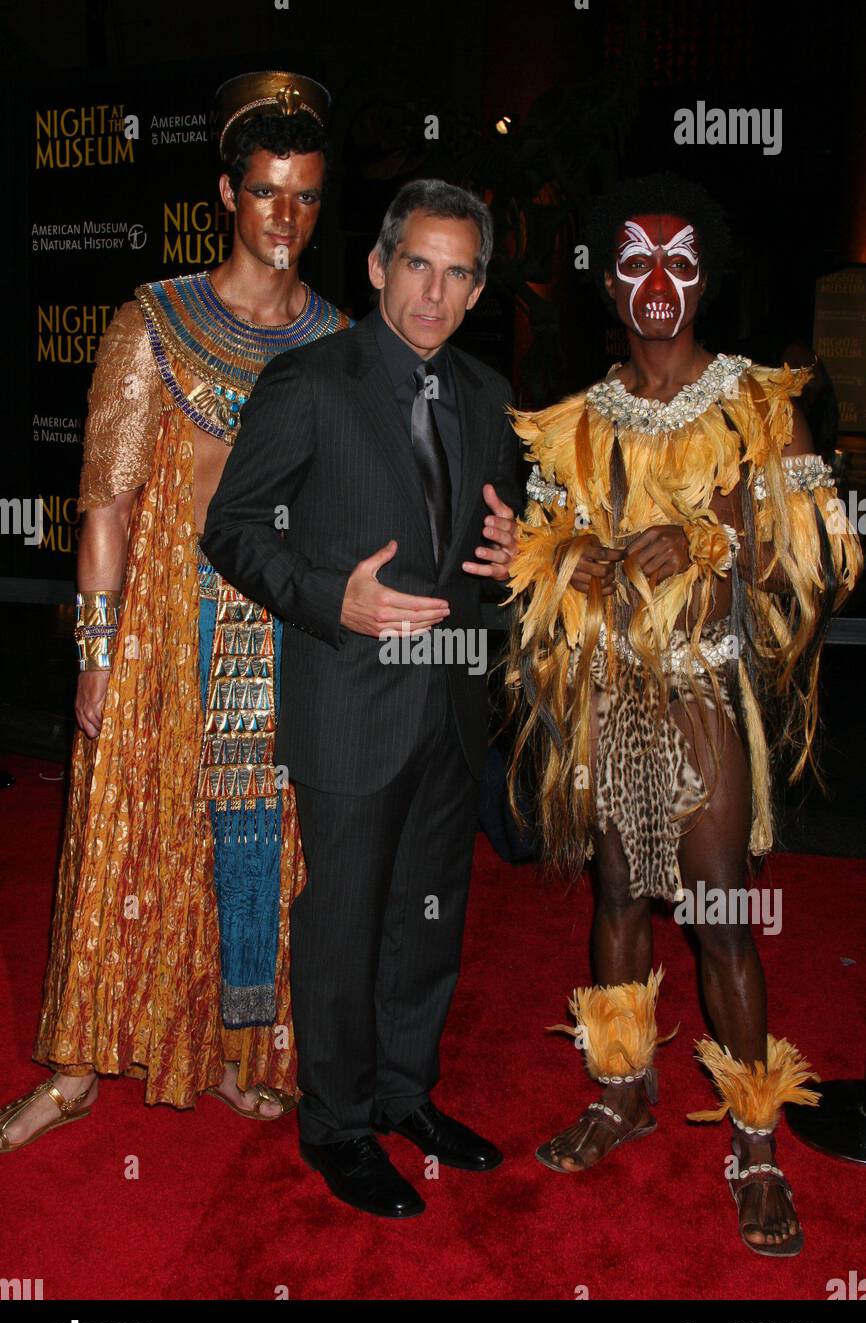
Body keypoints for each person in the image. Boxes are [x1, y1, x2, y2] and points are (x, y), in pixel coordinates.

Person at [505, 173, 862, 1255]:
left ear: (704, 278)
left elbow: (824, 558)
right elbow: (539, 559)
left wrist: (721, 536)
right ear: (608, 287)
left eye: (677, 262)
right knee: (614, 895)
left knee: (718, 916)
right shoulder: (577, 422)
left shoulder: (759, 404)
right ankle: (622, 1091)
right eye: (632, 263)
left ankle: (753, 1141)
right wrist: (588, 558)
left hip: (706, 690)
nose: (655, 283)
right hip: (611, 693)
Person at [1, 70, 350, 1153]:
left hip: (283, 632)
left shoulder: (341, 340)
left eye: (303, 196)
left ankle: (245, 1051)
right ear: (224, 195)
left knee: (255, 841)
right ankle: (75, 1063)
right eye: (265, 193)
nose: (284, 217)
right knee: (123, 836)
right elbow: (102, 504)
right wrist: (96, 655)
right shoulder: (151, 322)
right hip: (161, 627)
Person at [203, 178, 522, 1218]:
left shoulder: (484, 393)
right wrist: (329, 598)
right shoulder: (310, 382)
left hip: (449, 708)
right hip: (348, 702)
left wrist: (524, 554)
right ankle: (335, 1125)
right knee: (341, 924)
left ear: (476, 288)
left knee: (429, 917)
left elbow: (494, 541)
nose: (434, 292)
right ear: (380, 266)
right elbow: (233, 529)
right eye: (417, 265)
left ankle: (403, 1094)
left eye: (458, 271)